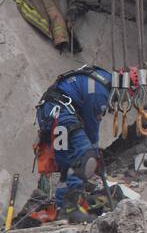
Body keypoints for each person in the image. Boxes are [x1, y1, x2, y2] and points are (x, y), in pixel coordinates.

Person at [35, 65, 113, 221]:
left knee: (68, 165)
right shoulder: (99, 90)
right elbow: (91, 125)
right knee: (85, 156)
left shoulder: (99, 79)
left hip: (50, 113)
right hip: (60, 114)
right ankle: (70, 209)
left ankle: (62, 209)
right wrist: (94, 153)